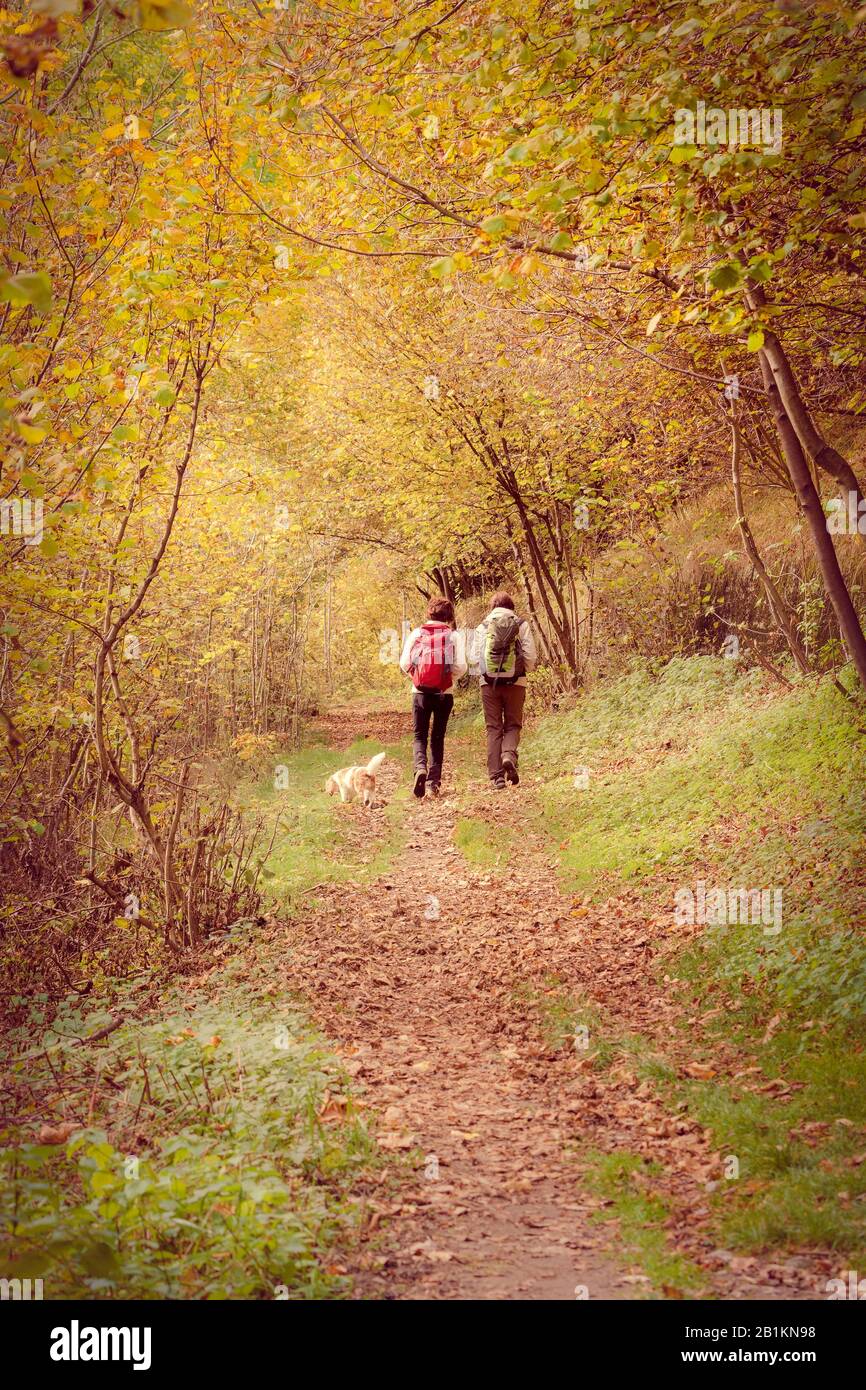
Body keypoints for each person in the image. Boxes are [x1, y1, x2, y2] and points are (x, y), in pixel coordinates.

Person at [400, 596, 467, 798]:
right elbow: (461, 667)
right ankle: (433, 783)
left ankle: (420, 768)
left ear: (429, 612)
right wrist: (446, 678)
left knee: (420, 736)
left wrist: (418, 677)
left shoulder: (417, 634)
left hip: (419, 693)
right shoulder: (454, 636)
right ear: (448, 615)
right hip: (443, 695)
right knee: (437, 738)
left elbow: (404, 663)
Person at [476, 590, 537, 790]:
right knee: (513, 725)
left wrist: (485, 673)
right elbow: (530, 655)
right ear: (511, 607)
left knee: (493, 728)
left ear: (492, 608)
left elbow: (473, 657)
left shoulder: (483, 626)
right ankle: (508, 755)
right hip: (516, 683)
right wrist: (522, 671)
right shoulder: (520, 624)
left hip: (488, 684)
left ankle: (497, 778)